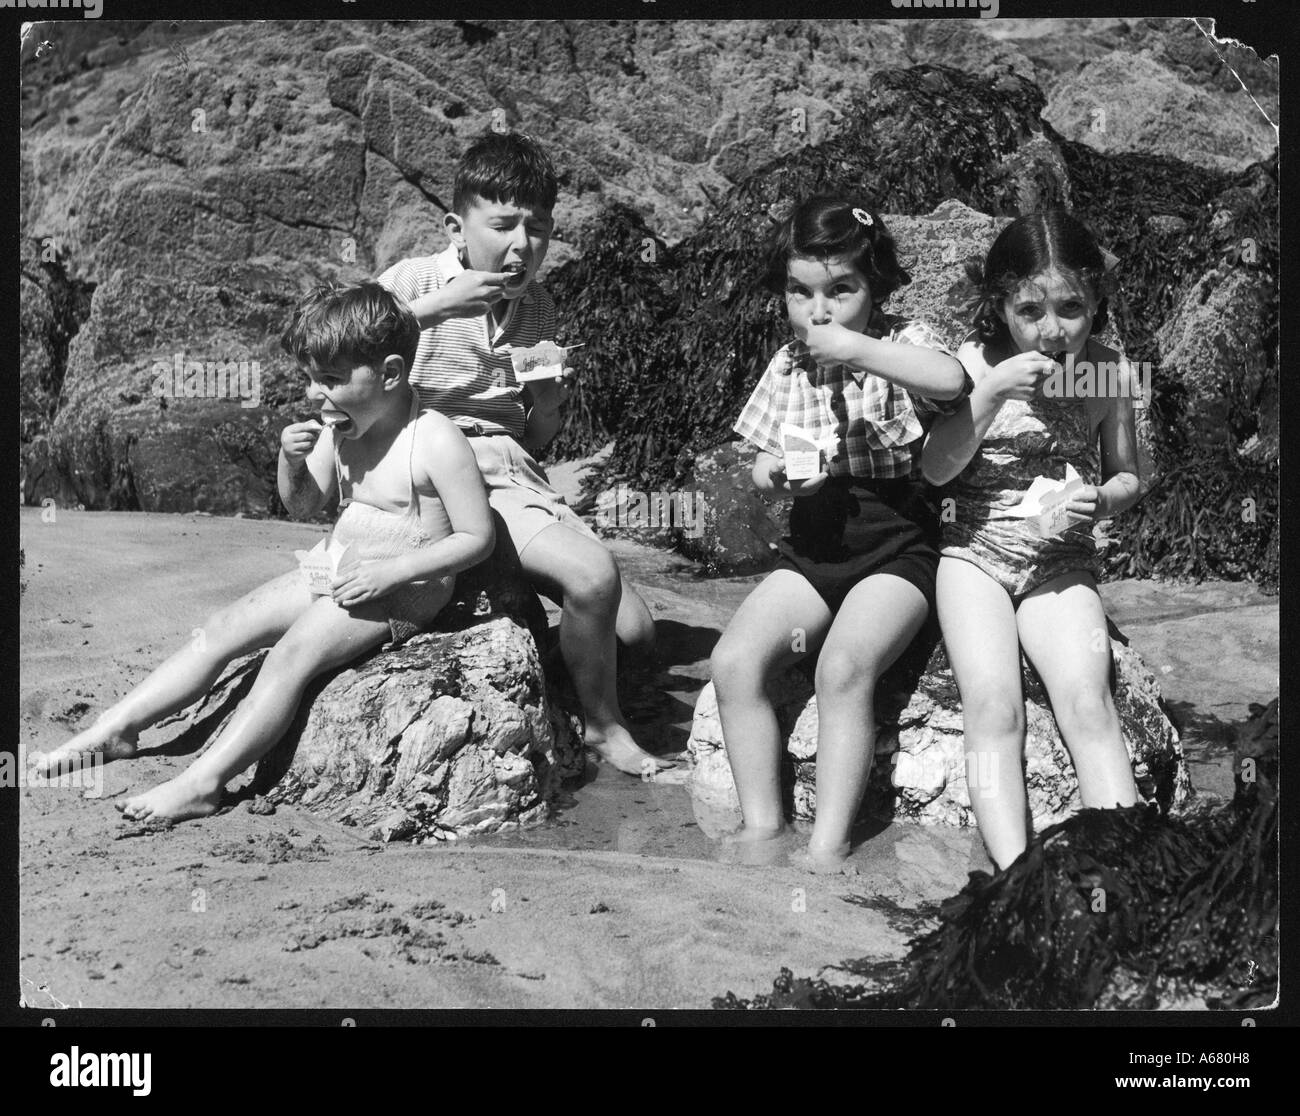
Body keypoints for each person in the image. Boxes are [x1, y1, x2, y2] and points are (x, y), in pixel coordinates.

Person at [32, 283, 496, 823]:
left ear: (390, 374)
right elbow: (303, 504)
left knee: (291, 655)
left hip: (403, 584)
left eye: (330, 380)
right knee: (221, 627)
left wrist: (396, 571)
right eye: (310, 379)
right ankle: (117, 728)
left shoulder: (434, 438)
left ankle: (204, 783)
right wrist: (290, 462)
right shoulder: (343, 430)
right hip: (338, 562)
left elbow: (476, 537)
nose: (315, 394)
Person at [376, 131, 668, 776]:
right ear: (457, 228)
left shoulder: (537, 305)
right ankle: (604, 727)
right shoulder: (413, 280)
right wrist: (437, 307)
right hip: (442, 463)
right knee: (592, 577)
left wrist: (547, 402)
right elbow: (349, 351)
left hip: (516, 469)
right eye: (503, 225)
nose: (521, 245)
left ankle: (545, 675)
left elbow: (535, 439)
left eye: (537, 229)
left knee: (637, 633)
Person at [710, 195, 970, 871]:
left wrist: (859, 350)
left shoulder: (900, 346)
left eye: (841, 291)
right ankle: (763, 824)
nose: (818, 312)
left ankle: (828, 844)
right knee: (734, 662)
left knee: (843, 668)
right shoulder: (787, 365)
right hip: (815, 548)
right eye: (801, 293)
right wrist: (778, 479)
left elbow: (952, 381)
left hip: (899, 552)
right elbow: (759, 463)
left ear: (874, 286)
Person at [922, 210, 1145, 870]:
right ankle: (1014, 871)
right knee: (992, 707)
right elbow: (935, 470)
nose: (1052, 330)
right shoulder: (972, 365)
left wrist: (1103, 498)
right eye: (1029, 311)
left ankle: (1121, 864)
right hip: (974, 553)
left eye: (1071, 308)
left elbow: (1130, 474)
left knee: (1088, 701)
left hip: (1059, 558)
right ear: (999, 306)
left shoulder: (1106, 370)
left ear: (1097, 301)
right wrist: (990, 392)